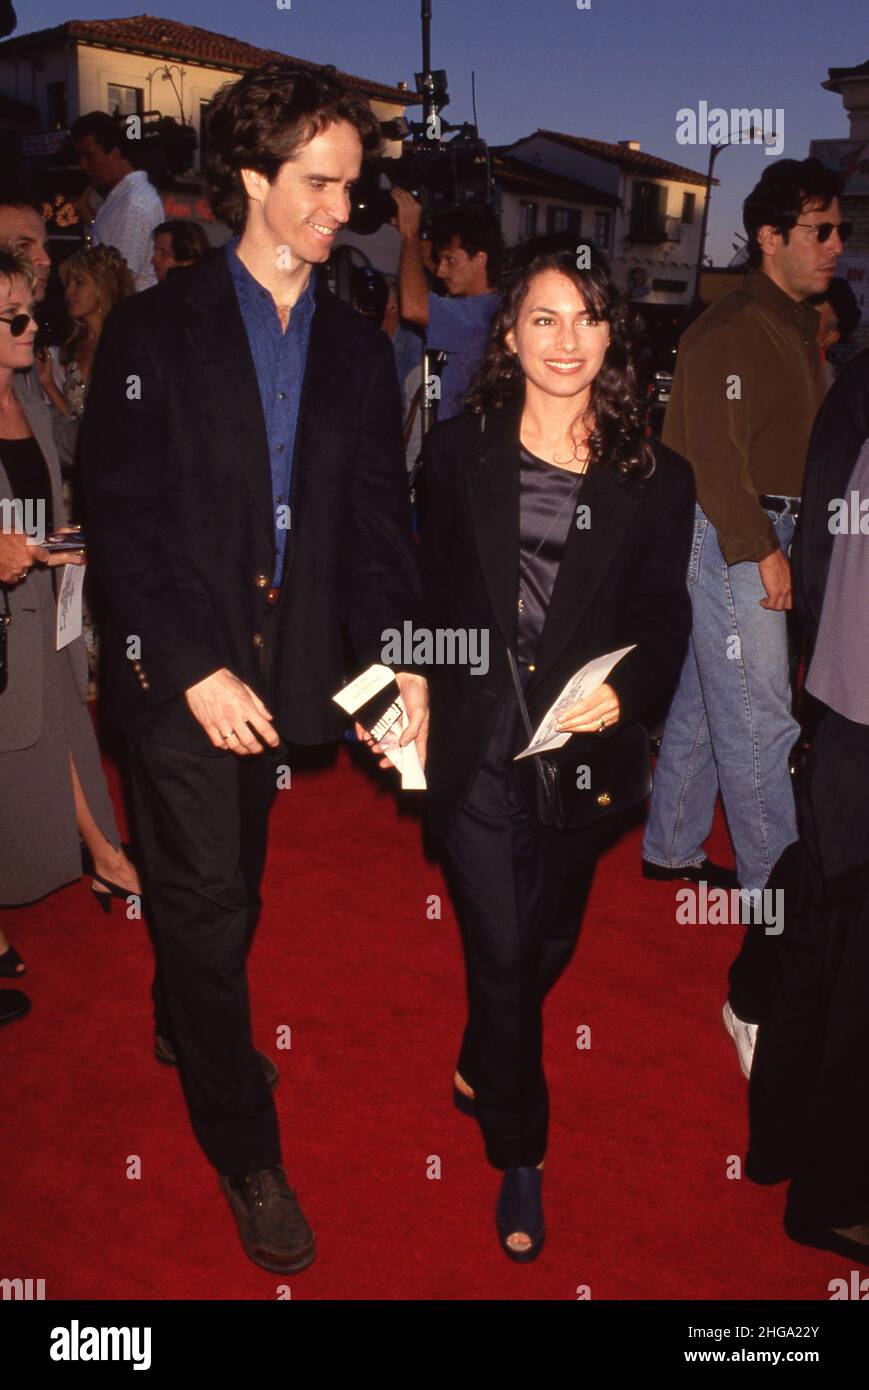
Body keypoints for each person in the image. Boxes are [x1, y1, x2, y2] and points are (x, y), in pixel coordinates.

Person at [79, 61, 425, 1276]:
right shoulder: (151, 326)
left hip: (287, 680)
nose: (345, 207)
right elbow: (116, 513)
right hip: (179, 674)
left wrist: (396, 663)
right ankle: (246, 1149)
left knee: (232, 885)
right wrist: (187, 668)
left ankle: (188, 1006)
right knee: (211, 901)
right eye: (321, 183)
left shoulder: (349, 343)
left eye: (354, 183)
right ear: (250, 180)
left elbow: (380, 525)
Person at [389, 235, 694, 1260]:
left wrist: (625, 688)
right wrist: (409, 673)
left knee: (547, 939)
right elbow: (429, 594)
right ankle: (520, 1154)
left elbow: (663, 614)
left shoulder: (655, 475)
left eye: (586, 319)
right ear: (508, 334)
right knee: (508, 950)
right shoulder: (457, 449)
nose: (565, 342)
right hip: (476, 745)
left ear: (614, 334)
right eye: (542, 319)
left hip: (578, 755)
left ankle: (484, 1048)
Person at [639, 159, 847, 1073]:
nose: (836, 246)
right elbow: (706, 458)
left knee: (706, 694)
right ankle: (776, 927)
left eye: (838, 231)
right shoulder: (728, 324)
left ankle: (671, 846)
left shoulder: (800, 326)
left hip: (772, 531)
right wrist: (758, 546)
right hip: (733, 530)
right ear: (769, 237)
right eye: (820, 231)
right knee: (761, 726)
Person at [745, 349, 869, 1262]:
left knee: (822, 945)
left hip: (840, 713)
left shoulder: (859, 380)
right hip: (853, 717)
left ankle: (781, 1149)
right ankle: (829, 1194)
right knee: (850, 980)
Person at [0, 243, 140, 978]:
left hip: (37, 609)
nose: (32, 326)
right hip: (6, 618)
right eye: (13, 317)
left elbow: (54, 487)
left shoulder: (25, 398)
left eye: (32, 311)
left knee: (59, 735)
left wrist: (64, 544)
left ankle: (105, 851)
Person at [391, 194, 502, 421]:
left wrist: (409, 235)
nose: (440, 271)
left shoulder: (480, 314)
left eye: (450, 261)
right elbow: (430, 259)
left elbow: (414, 308)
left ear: (480, 259)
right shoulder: (492, 304)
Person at [70, 112, 165, 292]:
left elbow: (121, 276)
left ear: (114, 154)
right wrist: (89, 218)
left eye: (89, 156)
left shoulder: (134, 203)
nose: (83, 165)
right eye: (80, 158)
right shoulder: (122, 198)